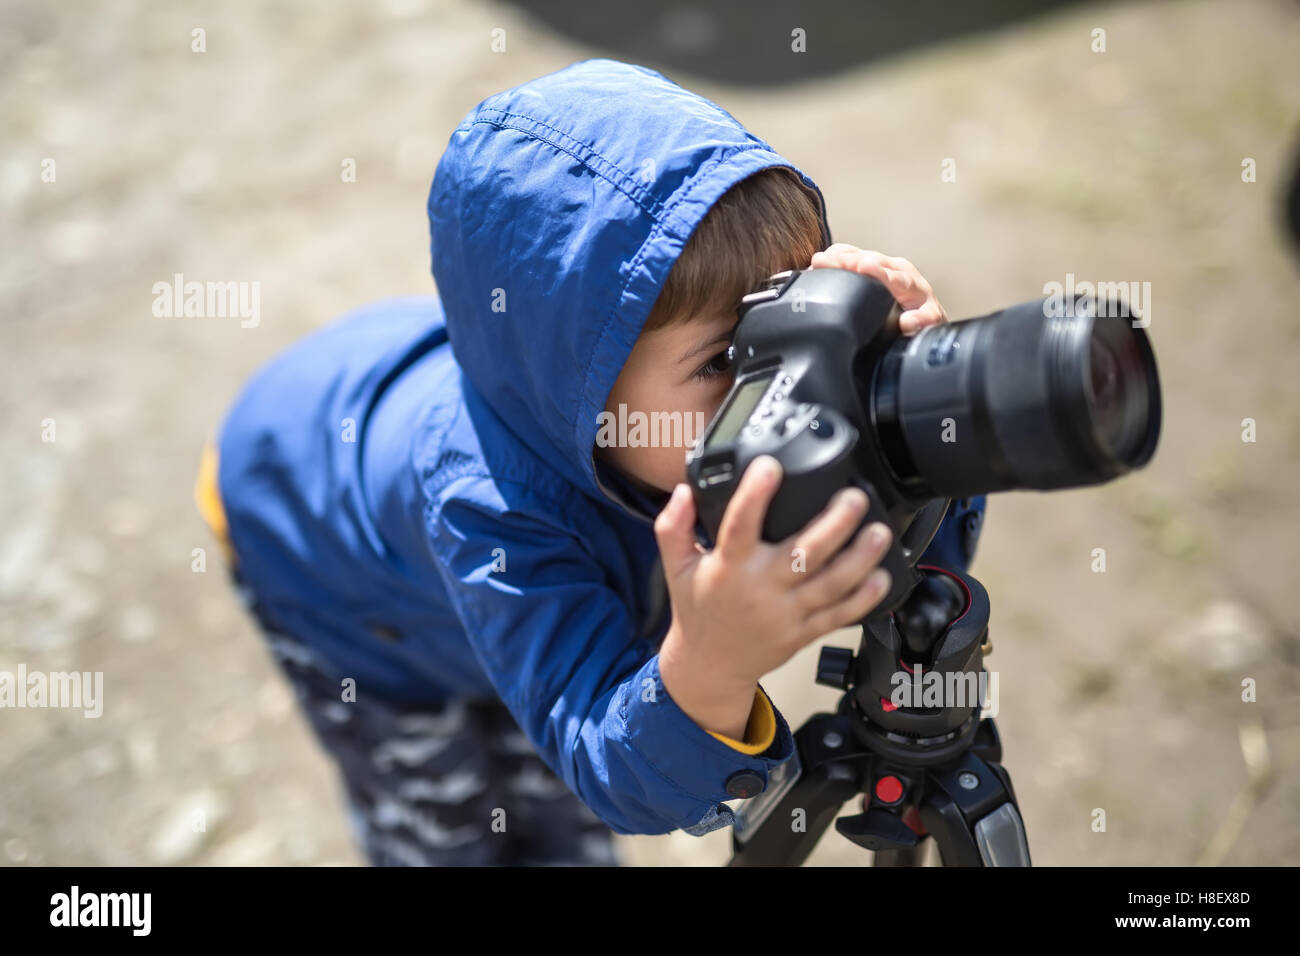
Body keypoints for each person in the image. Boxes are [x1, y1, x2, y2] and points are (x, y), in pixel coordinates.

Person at [192, 58, 986, 866]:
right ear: (586, 392)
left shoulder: (680, 426)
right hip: (324, 565)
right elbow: (599, 753)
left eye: (793, 321)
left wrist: (908, 410)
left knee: (553, 816)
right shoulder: (486, 505)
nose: (782, 382)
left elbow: (911, 581)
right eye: (726, 358)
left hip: (408, 404)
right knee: (445, 819)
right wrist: (708, 666)